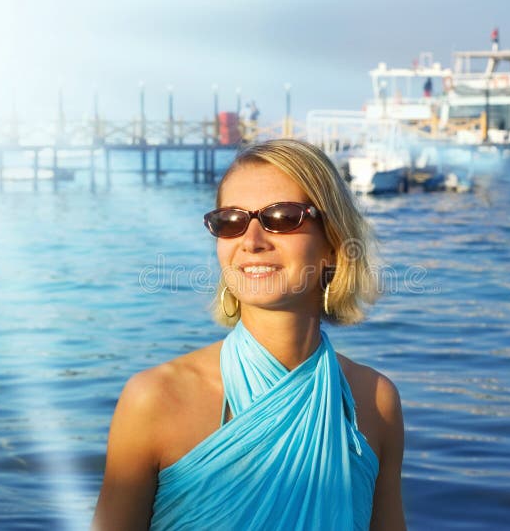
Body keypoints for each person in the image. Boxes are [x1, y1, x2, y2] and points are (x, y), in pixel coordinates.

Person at [92, 139, 406, 530]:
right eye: (230, 221)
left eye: (283, 217)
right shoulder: (154, 400)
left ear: (333, 244)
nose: (252, 242)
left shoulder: (376, 402)